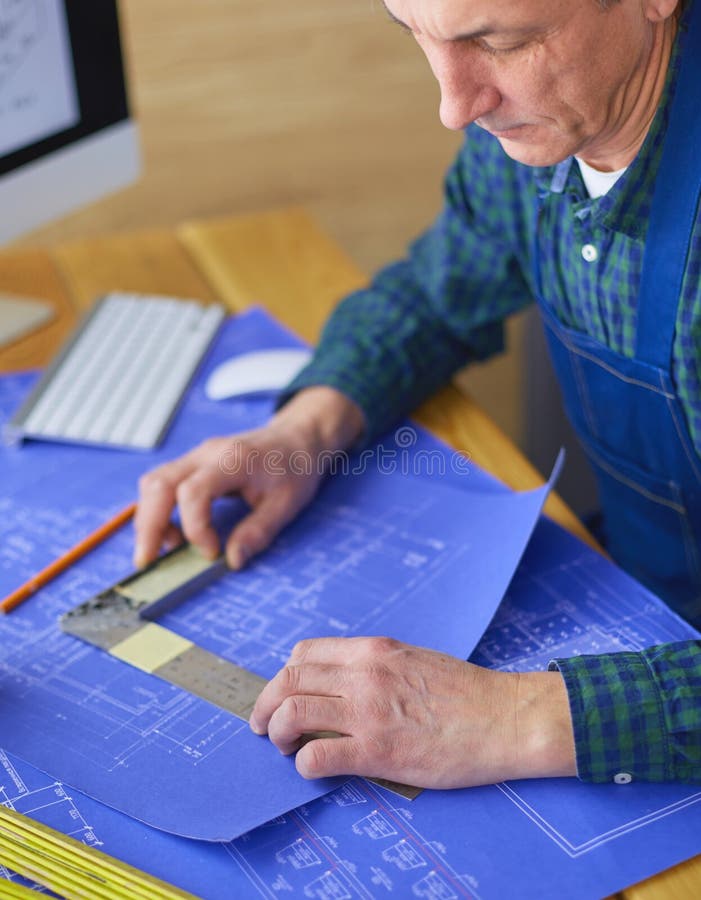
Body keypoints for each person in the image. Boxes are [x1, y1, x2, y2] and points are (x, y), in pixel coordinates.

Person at [134, 0, 700, 789]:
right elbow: (437, 294)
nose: (453, 105)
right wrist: (306, 429)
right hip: (640, 585)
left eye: (496, 41)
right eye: (418, 38)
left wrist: (516, 719)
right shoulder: (542, 123)